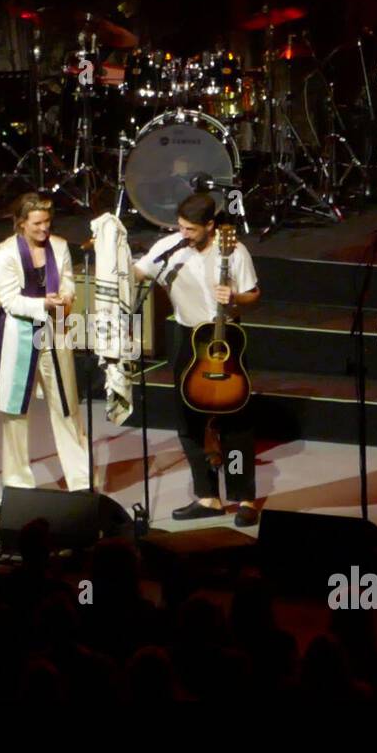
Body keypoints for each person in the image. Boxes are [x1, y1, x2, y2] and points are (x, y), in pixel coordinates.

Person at [133, 193, 262, 526]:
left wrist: (234, 296)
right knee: (188, 421)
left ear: (210, 225)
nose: (184, 235)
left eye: (191, 229)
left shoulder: (234, 251)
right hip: (188, 338)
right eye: (180, 227)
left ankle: (243, 496)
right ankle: (208, 496)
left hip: (225, 338)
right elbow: (137, 273)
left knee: (235, 421)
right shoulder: (171, 249)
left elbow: (254, 294)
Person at [0, 192, 92, 491]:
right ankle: (17, 481)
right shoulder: (5, 253)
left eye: (47, 222)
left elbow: (68, 280)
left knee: (67, 407)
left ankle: (81, 480)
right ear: (20, 224)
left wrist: (66, 296)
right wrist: (44, 303)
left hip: (54, 334)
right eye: (37, 224)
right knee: (16, 412)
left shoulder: (59, 246)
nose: (44, 229)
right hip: (19, 337)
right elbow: (10, 302)